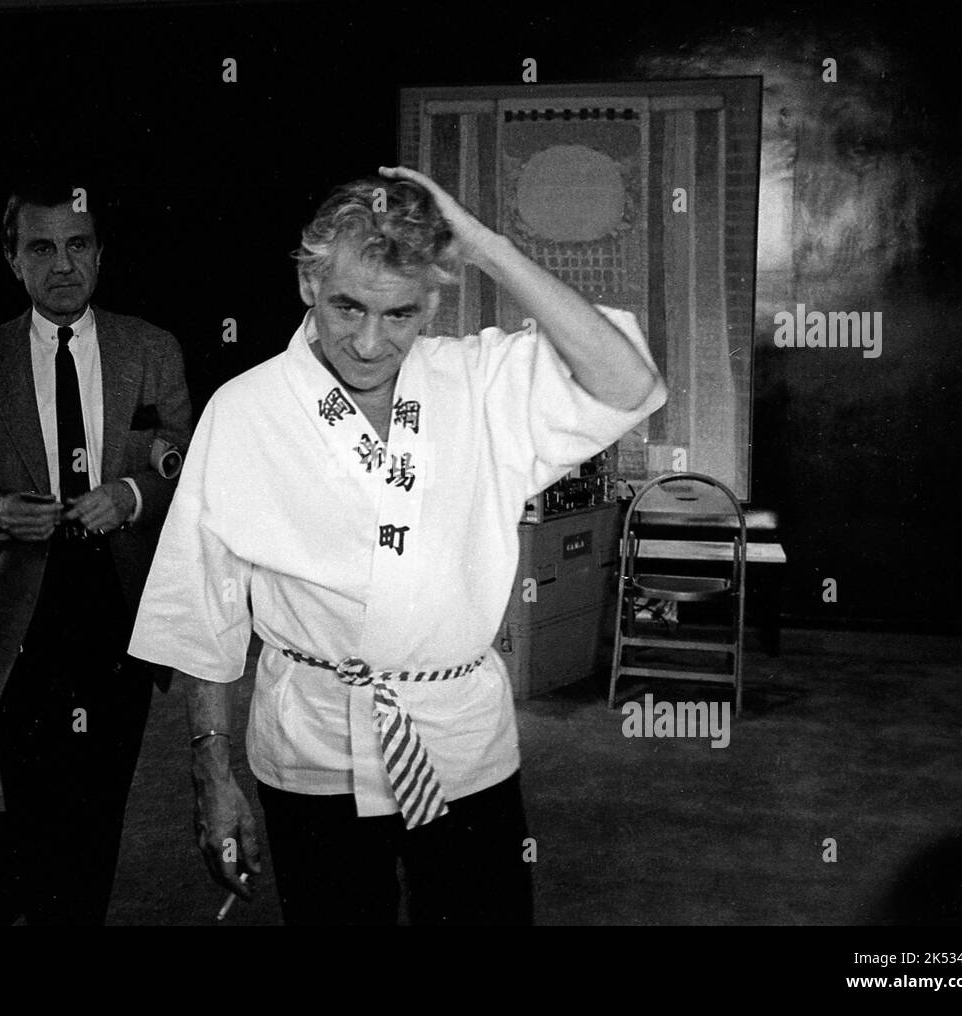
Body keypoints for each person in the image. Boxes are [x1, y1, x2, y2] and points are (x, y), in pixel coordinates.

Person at [128, 165, 666, 925]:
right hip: (314, 746)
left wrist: (484, 244)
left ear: (433, 303)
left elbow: (628, 381)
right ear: (309, 284)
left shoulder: (478, 382)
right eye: (348, 306)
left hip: (461, 742)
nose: (371, 342)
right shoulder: (245, 412)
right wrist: (210, 770)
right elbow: (201, 606)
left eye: (401, 315)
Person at [0, 181, 192, 924]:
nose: (63, 264)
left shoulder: (152, 348)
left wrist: (134, 495)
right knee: (35, 803)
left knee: (102, 803)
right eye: (41, 248)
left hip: (121, 612)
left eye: (78, 245)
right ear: (13, 261)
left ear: (100, 253)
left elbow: (186, 462)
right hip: (25, 616)